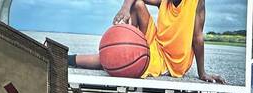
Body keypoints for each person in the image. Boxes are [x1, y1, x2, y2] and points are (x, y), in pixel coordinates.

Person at [69, 0, 227, 84]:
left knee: (112, 60)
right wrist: (125, 8)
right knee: (136, 4)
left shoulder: (196, 2)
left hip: (171, 62)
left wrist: (202, 73)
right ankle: (125, 52)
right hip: (158, 45)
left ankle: (122, 59)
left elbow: (197, 38)